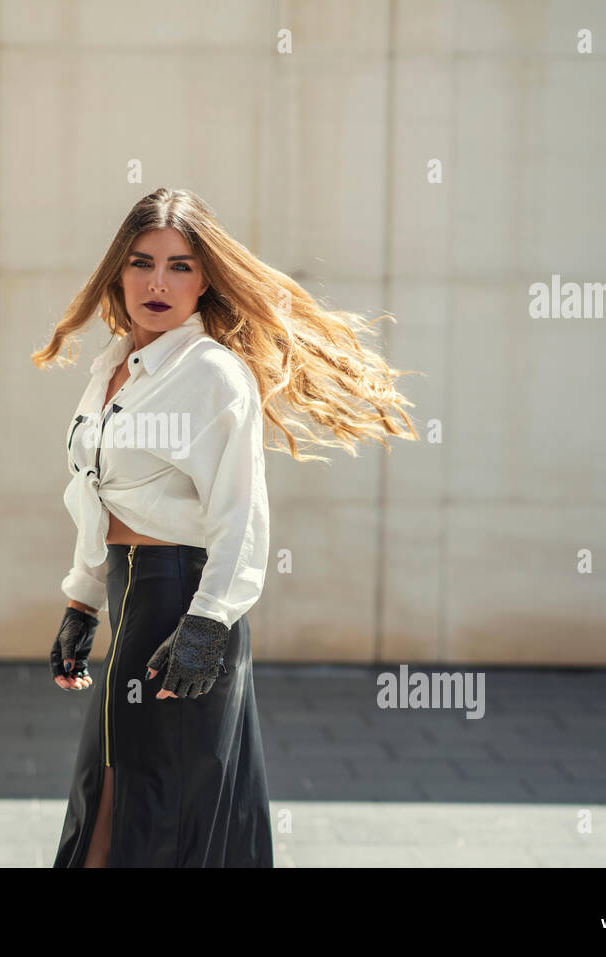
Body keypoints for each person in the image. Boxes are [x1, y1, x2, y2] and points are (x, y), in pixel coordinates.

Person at [31, 187, 419, 868]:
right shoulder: (110, 369)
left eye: (180, 265)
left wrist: (207, 622)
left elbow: (240, 512)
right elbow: (94, 494)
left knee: (158, 819)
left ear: (206, 277)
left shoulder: (211, 372)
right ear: (117, 272)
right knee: (108, 804)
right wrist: (81, 600)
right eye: (142, 261)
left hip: (183, 603)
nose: (158, 282)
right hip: (131, 598)